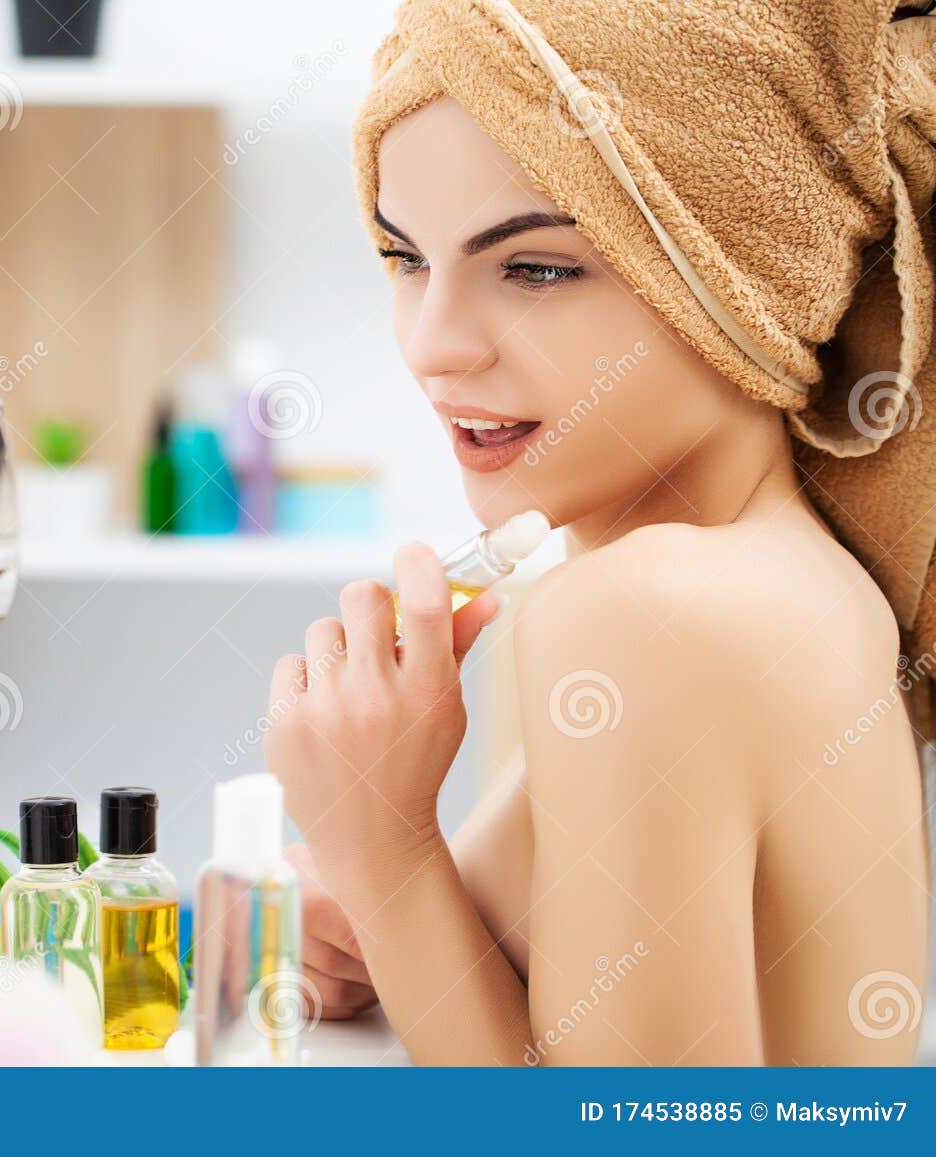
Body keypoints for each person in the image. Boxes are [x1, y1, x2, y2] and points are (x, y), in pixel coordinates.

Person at [265, 0, 936, 1064]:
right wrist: (370, 896)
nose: (434, 346)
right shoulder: (790, 579)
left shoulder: (638, 615)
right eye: (403, 258)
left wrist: (379, 843)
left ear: (740, 287)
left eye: (535, 268)